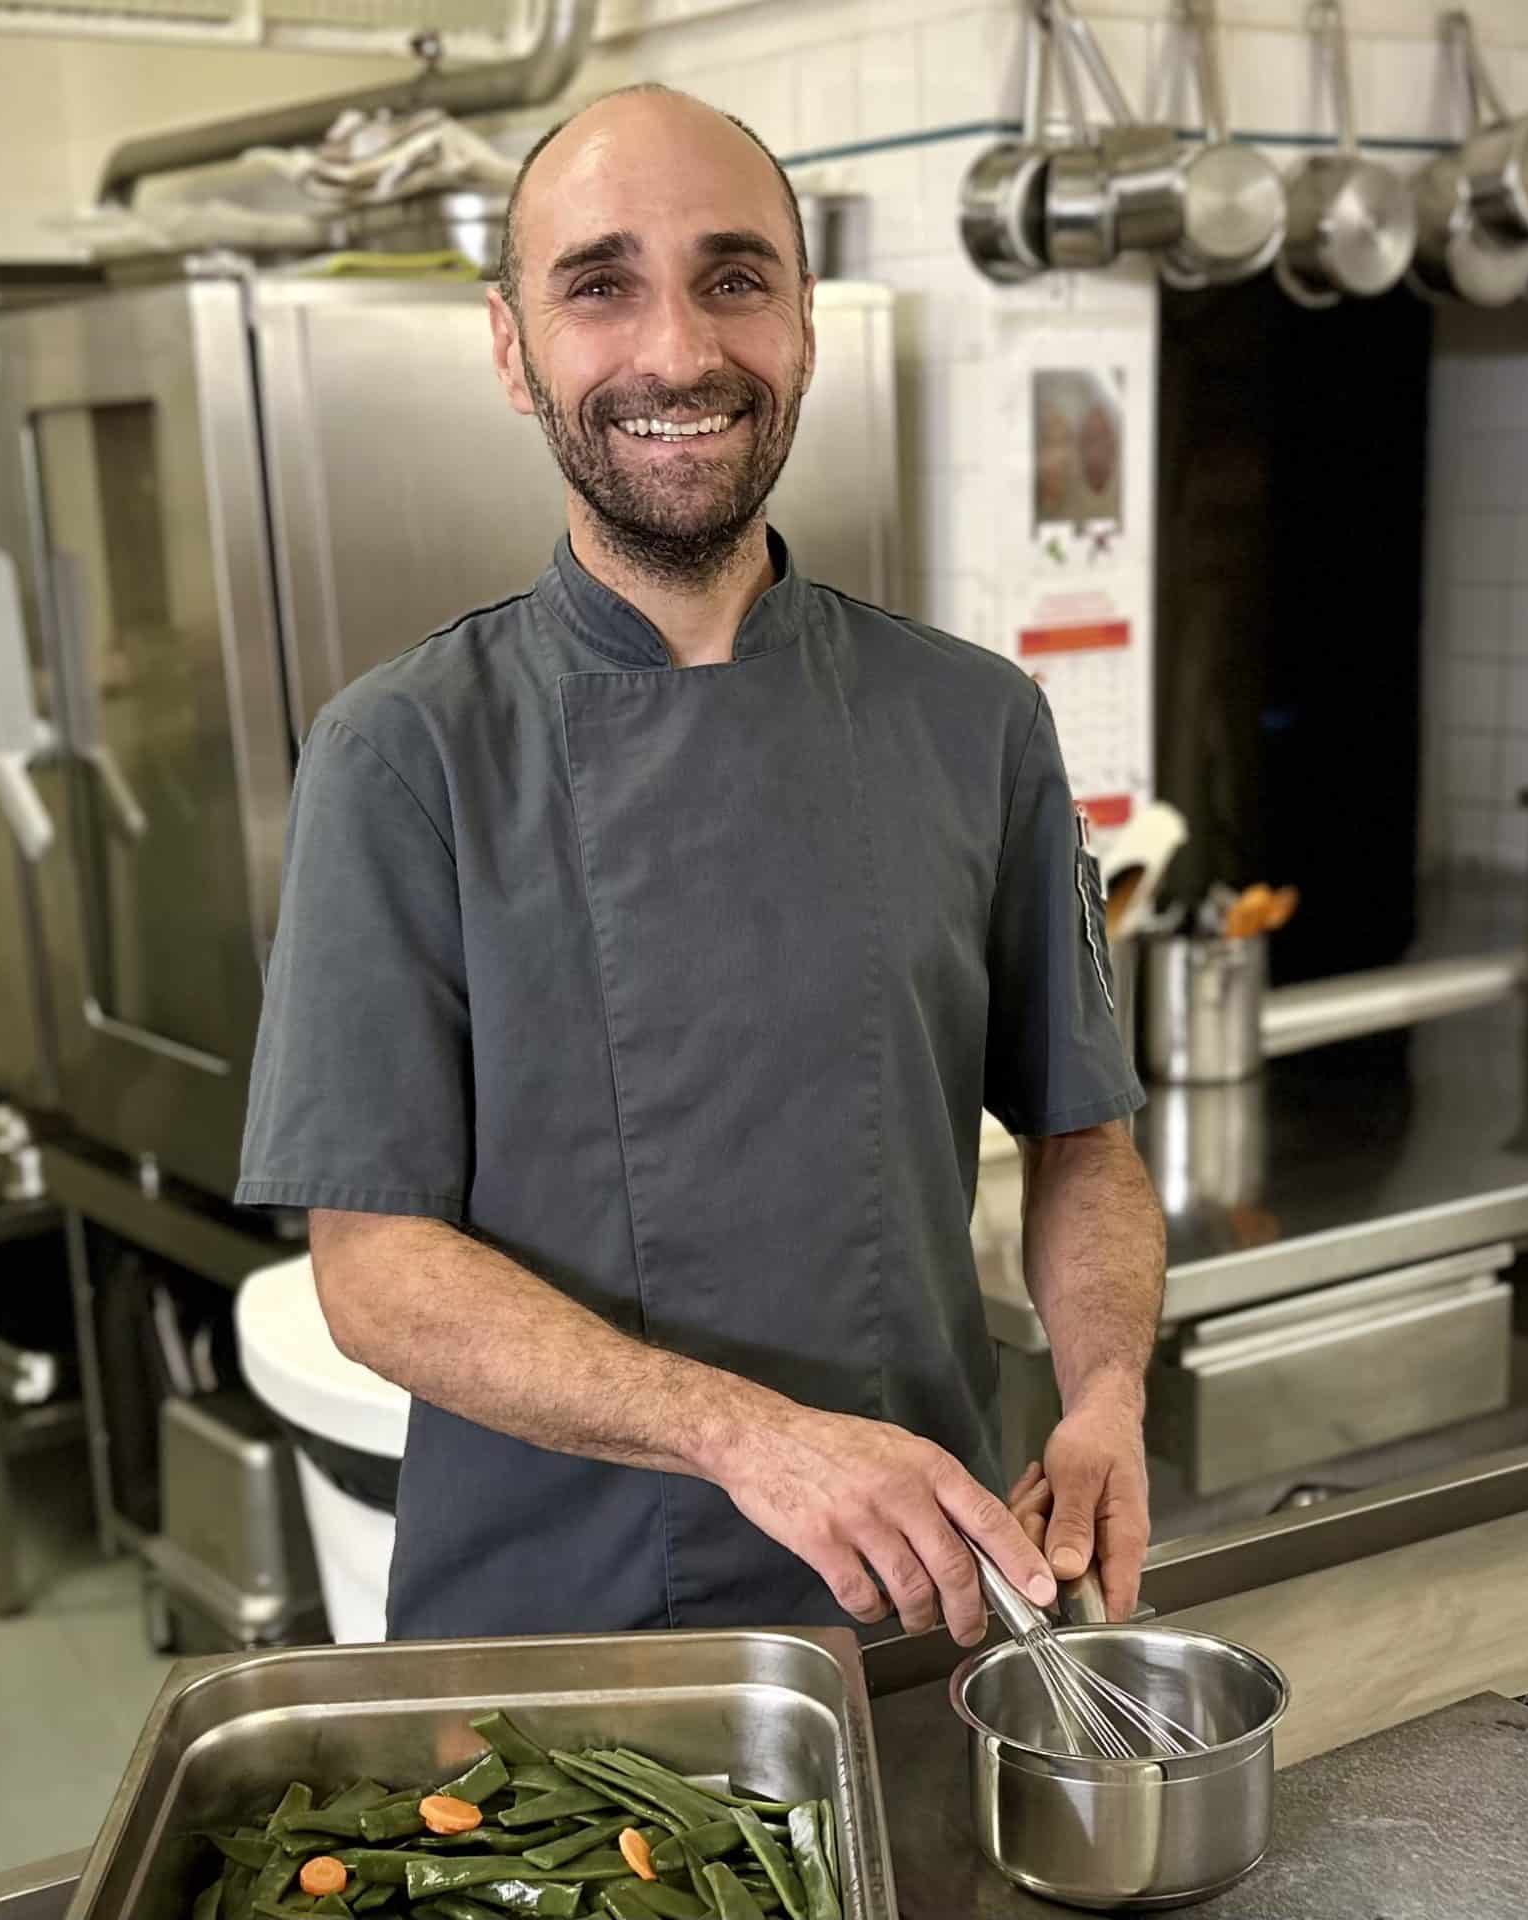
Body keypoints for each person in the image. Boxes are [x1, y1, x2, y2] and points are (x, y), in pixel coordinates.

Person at [236, 83, 1167, 1644]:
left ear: (803, 328)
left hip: (923, 1613)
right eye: (600, 285)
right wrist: (752, 1439)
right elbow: (376, 1269)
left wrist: (1107, 1395)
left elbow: (1085, 1145)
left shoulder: (974, 720)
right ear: (513, 349)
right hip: (560, 1638)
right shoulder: (402, 752)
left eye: (737, 279)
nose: (678, 351)